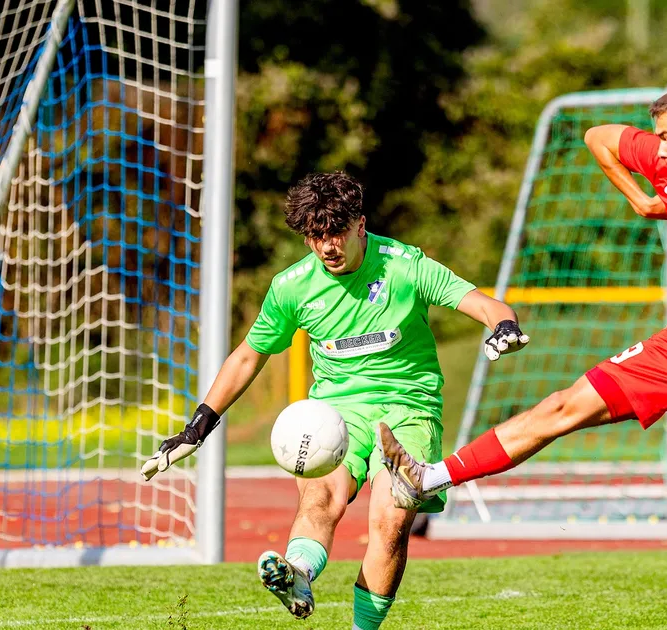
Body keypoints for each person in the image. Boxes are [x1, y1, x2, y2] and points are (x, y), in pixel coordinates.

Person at [377, 79, 667, 630]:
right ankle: (427, 478)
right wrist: (636, 196)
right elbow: (599, 137)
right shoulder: (666, 167)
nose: (660, 150)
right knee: (561, 406)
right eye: (658, 140)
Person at [140, 171, 529, 629]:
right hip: (335, 414)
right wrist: (198, 426)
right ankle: (299, 575)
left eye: (337, 232)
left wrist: (504, 326)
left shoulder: (404, 264)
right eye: (315, 236)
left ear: (360, 224)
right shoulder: (293, 287)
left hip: (408, 408)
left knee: (389, 521)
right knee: (321, 499)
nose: (328, 246)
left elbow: (483, 304)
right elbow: (249, 355)